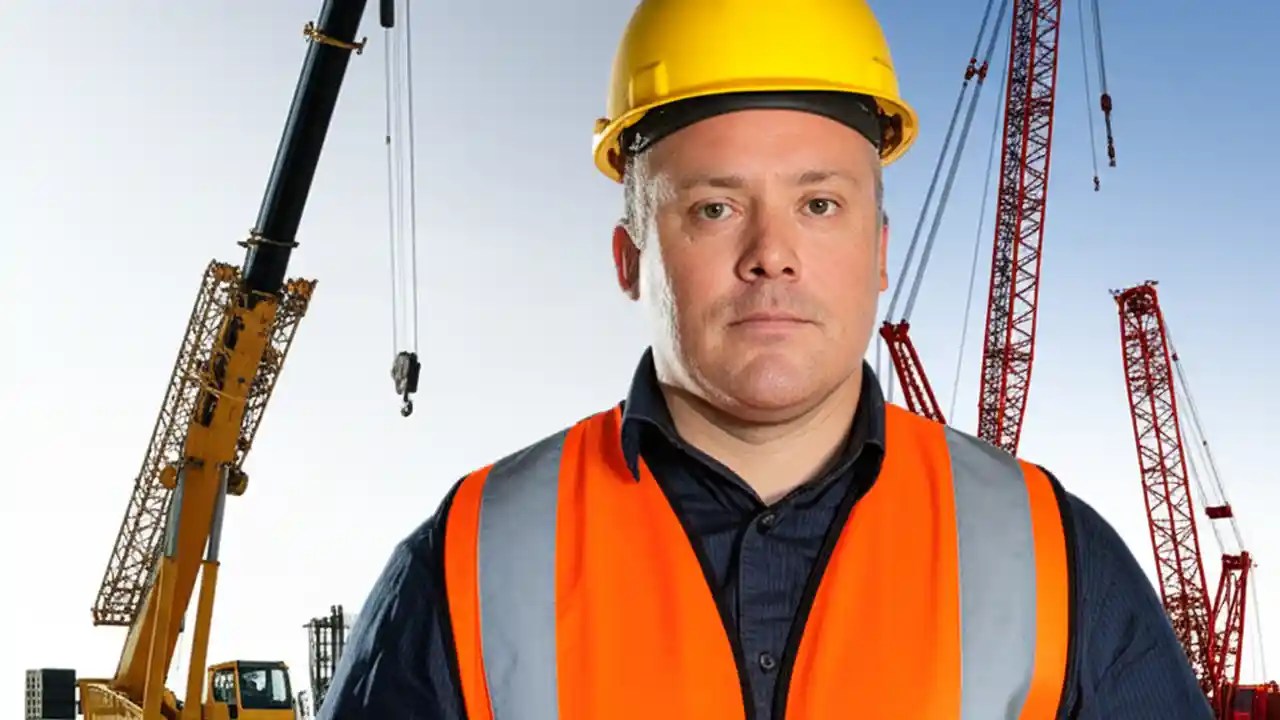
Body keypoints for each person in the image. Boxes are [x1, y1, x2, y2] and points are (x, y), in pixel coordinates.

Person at [320, 1, 1212, 717]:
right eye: (713, 208)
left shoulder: (1057, 561)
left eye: (820, 205)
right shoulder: (471, 561)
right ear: (631, 258)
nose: (771, 253)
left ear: (881, 251)